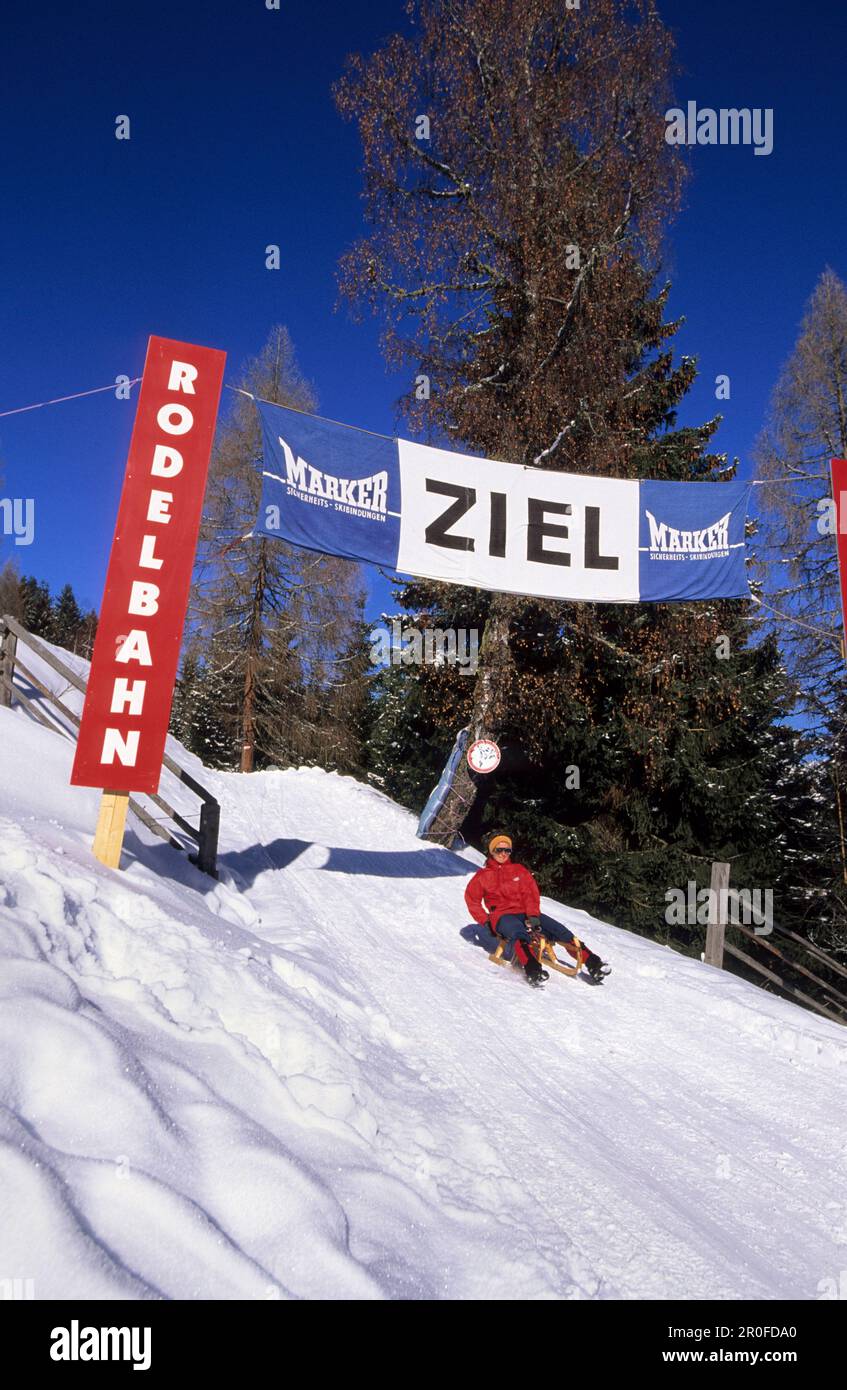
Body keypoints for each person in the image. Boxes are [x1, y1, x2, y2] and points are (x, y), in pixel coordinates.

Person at [464, 832, 610, 987]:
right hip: (502, 915)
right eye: (499, 850)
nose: (503, 854)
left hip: (526, 912)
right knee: (518, 933)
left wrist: (533, 915)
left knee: (561, 931)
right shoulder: (482, 876)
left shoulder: (519, 870)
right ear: (492, 851)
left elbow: (531, 894)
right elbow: (472, 900)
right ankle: (533, 969)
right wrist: (486, 922)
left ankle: (594, 964)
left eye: (507, 850)